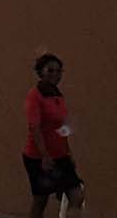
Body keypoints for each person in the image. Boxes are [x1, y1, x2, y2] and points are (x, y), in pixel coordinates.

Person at [22, 53, 85, 216]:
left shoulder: (57, 95)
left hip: (60, 156)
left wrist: (68, 151)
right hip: (38, 157)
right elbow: (34, 128)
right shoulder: (34, 96)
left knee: (76, 194)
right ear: (40, 72)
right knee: (40, 200)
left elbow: (62, 127)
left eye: (58, 71)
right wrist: (44, 155)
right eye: (50, 70)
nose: (55, 75)